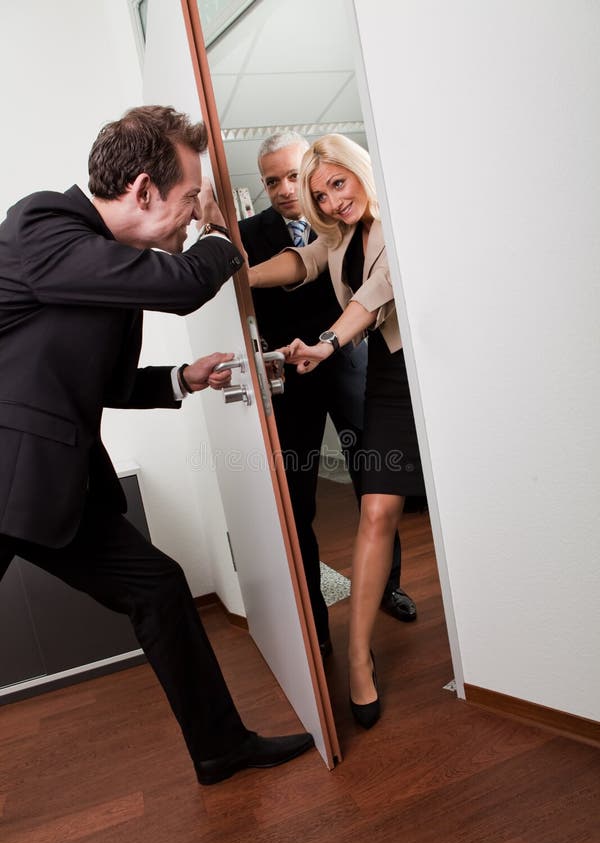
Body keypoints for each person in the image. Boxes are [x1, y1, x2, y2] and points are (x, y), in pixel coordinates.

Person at [0, 105, 313, 784]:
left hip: (42, 477)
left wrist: (182, 378)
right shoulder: (43, 224)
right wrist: (223, 236)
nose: (195, 215)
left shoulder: (102, 267)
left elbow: (105, 382)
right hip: (11, 472)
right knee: (161, 588)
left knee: (159, 588)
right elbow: (184, 286)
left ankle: (221, 748)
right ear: (143, 190)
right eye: (191, 198)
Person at [248, 134, 426, 729]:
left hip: (432, 365)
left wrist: (326, 343)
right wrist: (238, 275)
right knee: (376, 508)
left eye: (337, 185)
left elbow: (377, 293)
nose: (330, 201)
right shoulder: (340, 236)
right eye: (319, 195)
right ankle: (357, 658)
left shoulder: (398, 217)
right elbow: (302, 262)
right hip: (390, 375)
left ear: (359, 171)